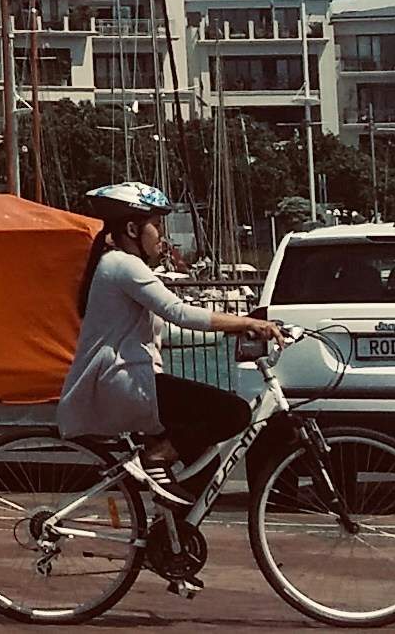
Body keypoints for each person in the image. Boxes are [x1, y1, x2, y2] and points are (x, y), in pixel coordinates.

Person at [55, 182, 282, 558]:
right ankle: (155, 460)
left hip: (132, 381)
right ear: (132, 229)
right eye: (157, 225)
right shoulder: (122, 265)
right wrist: (246, 323)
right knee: (234, 412)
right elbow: (180, 313)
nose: (162, 235)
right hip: (126, 383)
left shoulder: (117, 265)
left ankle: (169, 543)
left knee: (206, 456)